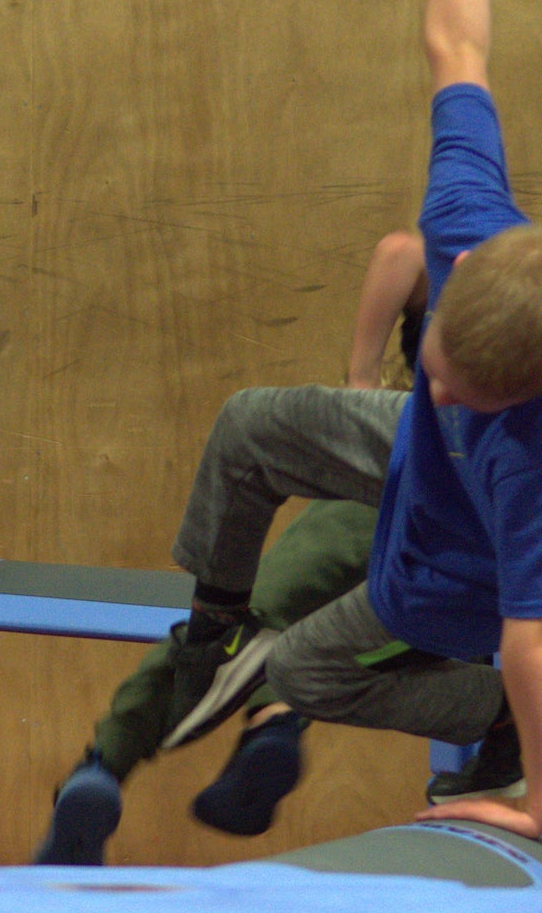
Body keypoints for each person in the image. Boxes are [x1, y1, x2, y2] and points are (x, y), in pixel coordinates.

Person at [160, 0, 542, 842]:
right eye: (439, 361)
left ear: (523, 396)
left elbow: (538, 634)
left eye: (464, 390)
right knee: (249, 426)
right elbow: (458, 45)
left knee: (304, 670)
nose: (438, 384)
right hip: (418, 454)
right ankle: (213, 627)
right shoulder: (467, 226)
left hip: (460, 552)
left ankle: (506, 718)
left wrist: (539, 802)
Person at [34, 232, 416, 866]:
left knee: (238, 629)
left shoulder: (452, 262)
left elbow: (398, 259)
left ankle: (104, 764)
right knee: (334, 639)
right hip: (467, 546)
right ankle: (274, 725)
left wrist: (364, 387)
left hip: (389, 473)